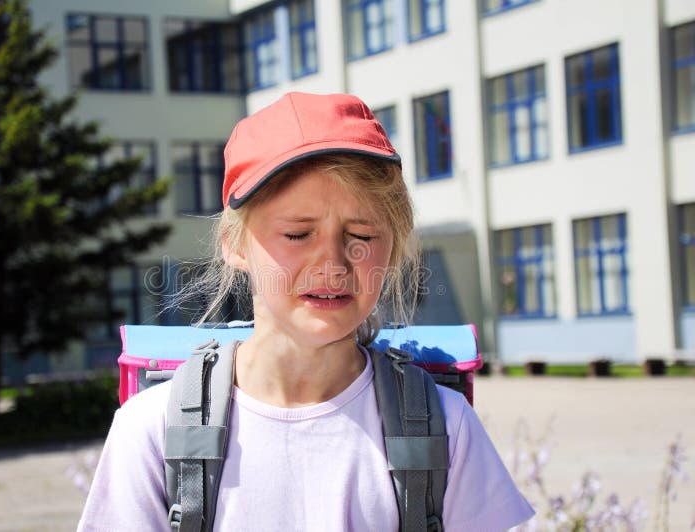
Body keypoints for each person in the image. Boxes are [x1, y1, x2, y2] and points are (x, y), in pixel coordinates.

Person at [78, 92, 535, 531]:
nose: (333, 263)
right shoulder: (152, 430)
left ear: (394, 246)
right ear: (234, 244)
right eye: (298, 235)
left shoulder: (446, 426)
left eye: (362, 235)